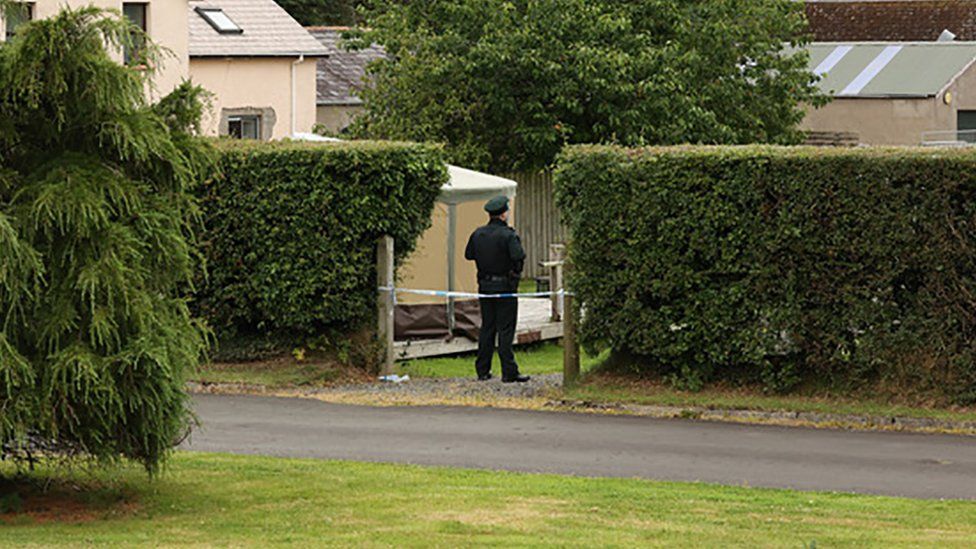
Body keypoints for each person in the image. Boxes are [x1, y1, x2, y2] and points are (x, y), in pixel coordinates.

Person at [464, 195, 531, 383]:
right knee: (505, 329)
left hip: (484, 286)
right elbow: (519, 256)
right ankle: (509, 372)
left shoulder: (478, 234)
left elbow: (468, 255)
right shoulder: (508, 235)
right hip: (505, 287)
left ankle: (482, 370)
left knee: (487, 328)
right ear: (503, 214)